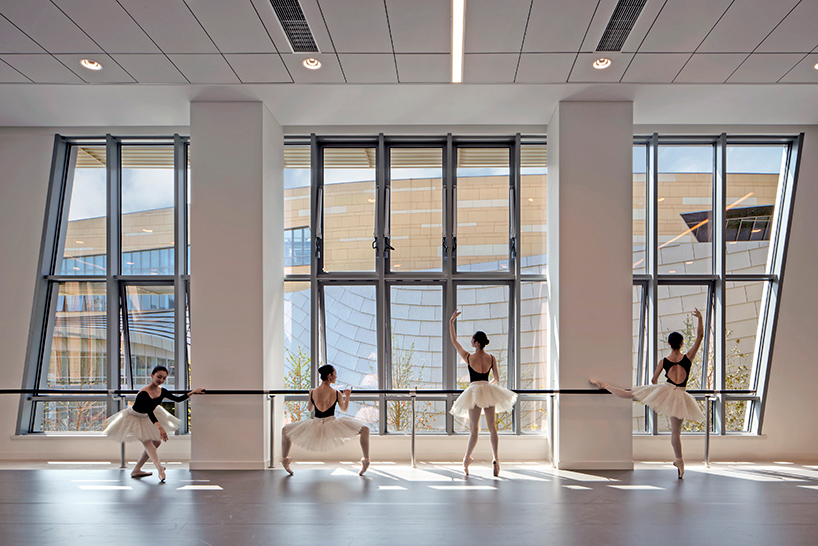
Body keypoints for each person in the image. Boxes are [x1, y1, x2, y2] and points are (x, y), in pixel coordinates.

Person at [590, 308, 706, 479]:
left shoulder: (664, 361)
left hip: (666, 389)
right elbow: (700, 337)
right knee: (675, 433)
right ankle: (679, 461)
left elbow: (653, 379)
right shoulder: (688, 358)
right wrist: (700, 318)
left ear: (668, 343)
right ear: (681, 344)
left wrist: (657, 391)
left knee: (629, 393)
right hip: (681, 394)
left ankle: (605, 385)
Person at [103, 365, 205, 482]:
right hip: (134, 418)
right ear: (152, 375)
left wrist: (193, 392)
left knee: (156, 442)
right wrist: (159, 427)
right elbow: (149, 411)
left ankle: (137, 469)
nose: (161, 380)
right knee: (147, 443)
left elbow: (177, 399)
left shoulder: (162, 391)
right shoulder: (143, 393)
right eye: (159, 377)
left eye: (164, 378)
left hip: (148, 416)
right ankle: (159, 467)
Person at [449, 310, 517, 477]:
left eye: (472, 339)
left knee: (474, 430)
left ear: (477, 343)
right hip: (487, 389)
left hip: (474, 391)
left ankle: (466, 460)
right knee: (492, 427)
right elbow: (496, 378)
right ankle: (496, 459)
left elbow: (454, 342)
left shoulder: (469, 357)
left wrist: (451, 322)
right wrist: (487, 388)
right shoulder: (491, 358)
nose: (471, 341)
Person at [281, 364, 370, 476]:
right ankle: (366, 460)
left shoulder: (312, 391)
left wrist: (311, 397)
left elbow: (310, 409)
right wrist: (347, 396)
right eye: (335, 374)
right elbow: (343, 409)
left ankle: (284, 459)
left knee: (285, 430)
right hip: (331, 423)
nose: (336, 377)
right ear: (329, 376)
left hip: (316, 423)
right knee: (365, 429)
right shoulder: (336, 393)